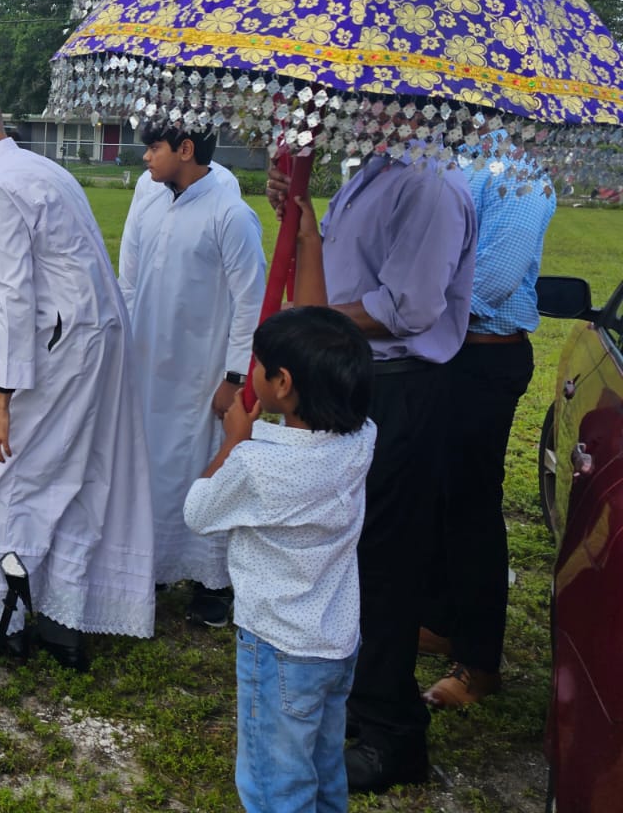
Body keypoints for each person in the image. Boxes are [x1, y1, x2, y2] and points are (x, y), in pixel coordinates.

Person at [267, 140, 475, 794]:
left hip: (403, 386)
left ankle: (394, 736)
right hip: (365, 379)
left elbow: (408, 308)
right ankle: (363, 702)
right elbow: (346, 272)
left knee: (384, 563)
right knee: (353, 552)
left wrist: (315, 327)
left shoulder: (428, 183)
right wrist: (300, 224)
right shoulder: (376, 171)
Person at [0, 80, 155, 665]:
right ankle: (64, 617)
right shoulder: (41, 167)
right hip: (97, 336)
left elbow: (16, 299)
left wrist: (0, 403)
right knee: (82, 475)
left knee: (11, 472)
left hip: (63, 345)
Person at [184, 306, 378, 813]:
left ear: (282, 383)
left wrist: (233, 443)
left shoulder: (257, 466)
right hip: (335, 645)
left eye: (258, 364)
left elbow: (198, 511)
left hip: (277, 648)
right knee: (322, 768)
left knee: (276, 790)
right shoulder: (362, 439)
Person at [419, 137, 555, 709]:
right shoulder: (458, 159)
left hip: (483, 355)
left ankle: (480, 661)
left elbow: (493, 281)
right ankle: (445, 621)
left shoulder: (525, 178)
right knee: (439, 495)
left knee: (472, 504)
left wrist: (405, 305)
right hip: (441, 353)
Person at [119, 125, 265, 627]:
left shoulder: (230, 213)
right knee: (152, 464)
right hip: (147, 360)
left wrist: (234, 375)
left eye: (154, 147)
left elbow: (251, 302)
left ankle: (212, 582)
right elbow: (130, 281)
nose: (144, 158)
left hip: (204, 368)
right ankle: (156, 564)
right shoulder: (150, 202)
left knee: (206, 462)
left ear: (185, 150)